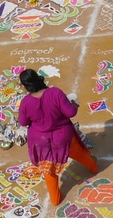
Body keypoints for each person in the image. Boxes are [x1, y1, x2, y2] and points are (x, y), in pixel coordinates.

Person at [17, 68, 98, 206]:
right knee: (78, 153)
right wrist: (73, 103)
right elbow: (71, 112)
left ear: (25, 86)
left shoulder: (25, 102)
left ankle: (55, 199)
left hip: (40, 141)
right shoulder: (55, 93)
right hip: (63, 137)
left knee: (49, 170)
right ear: (39, 78)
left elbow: (23, 122)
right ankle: (93, 168)